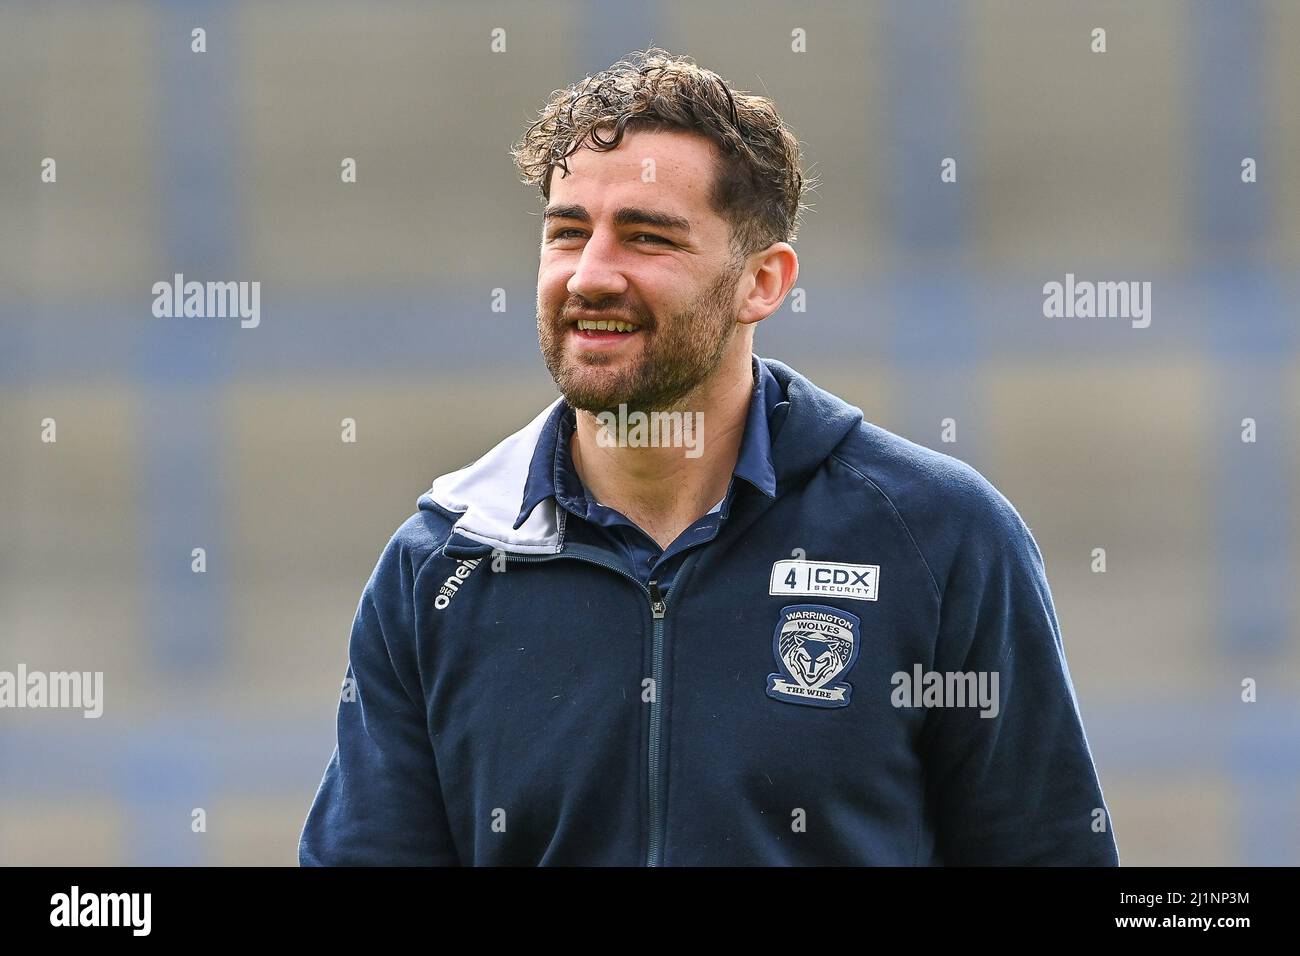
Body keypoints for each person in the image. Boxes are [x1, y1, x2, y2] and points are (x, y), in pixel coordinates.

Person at [299, 48, 1119, 866]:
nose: (590, 275)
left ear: (761, 283)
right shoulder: (443, 562)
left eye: (647, 238)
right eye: (568, 232)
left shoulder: (940, 536)